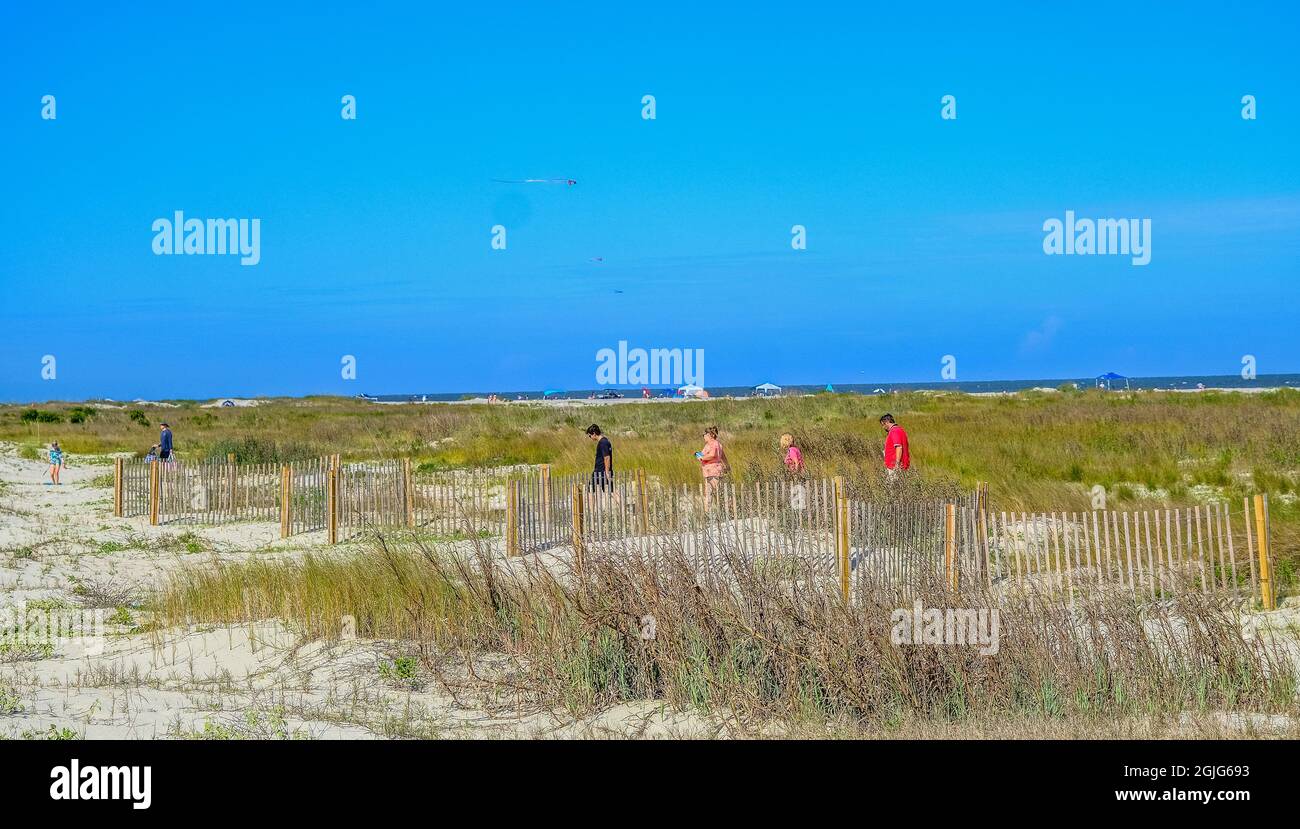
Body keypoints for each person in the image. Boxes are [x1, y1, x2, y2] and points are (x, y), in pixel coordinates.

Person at [696, 426, 728, 509]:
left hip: (713, 471)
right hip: (710, 472)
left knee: (714, 493)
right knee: (711, 493)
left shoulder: (714, 443)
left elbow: (712, 455)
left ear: (711, 435)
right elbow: (723, 456)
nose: (703, 436)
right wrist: (727, 466)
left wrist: (702, 457)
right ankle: (711, 511)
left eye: (705, 434)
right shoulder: (712, 444)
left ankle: (712, 512)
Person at [880, 413, 910, 480]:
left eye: (883, 425)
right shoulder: (900, 430)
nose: (883, 427)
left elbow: (899, 447)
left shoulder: (894, 431)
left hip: (895, 467)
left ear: (887, 422)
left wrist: (896, 465)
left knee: (894, 488)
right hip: (900, 465)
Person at [586, 424, 613, 491]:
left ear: (594, 433)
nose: (590, 437)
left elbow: (607, 457)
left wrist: (607, 472)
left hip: (601, 472)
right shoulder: (605, 441)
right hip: (601, 471)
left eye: (590, 436)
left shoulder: (603, 443)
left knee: (591, 490)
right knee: (608, 491)